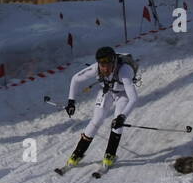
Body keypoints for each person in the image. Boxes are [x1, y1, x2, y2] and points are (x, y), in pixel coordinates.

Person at [59, 46, 138, 174]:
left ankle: (110, 155)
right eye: (102, 65)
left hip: (123, 94)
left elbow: (133, 98)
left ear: (114, 62)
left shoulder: (125, 71)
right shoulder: (96, 68)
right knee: (96, 121)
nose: (105, 69)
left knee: (116, 124)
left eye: (108, 65)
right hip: (107, 91)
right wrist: (71, 102)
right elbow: (75, 79)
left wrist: (122, 117)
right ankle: (77, 154)